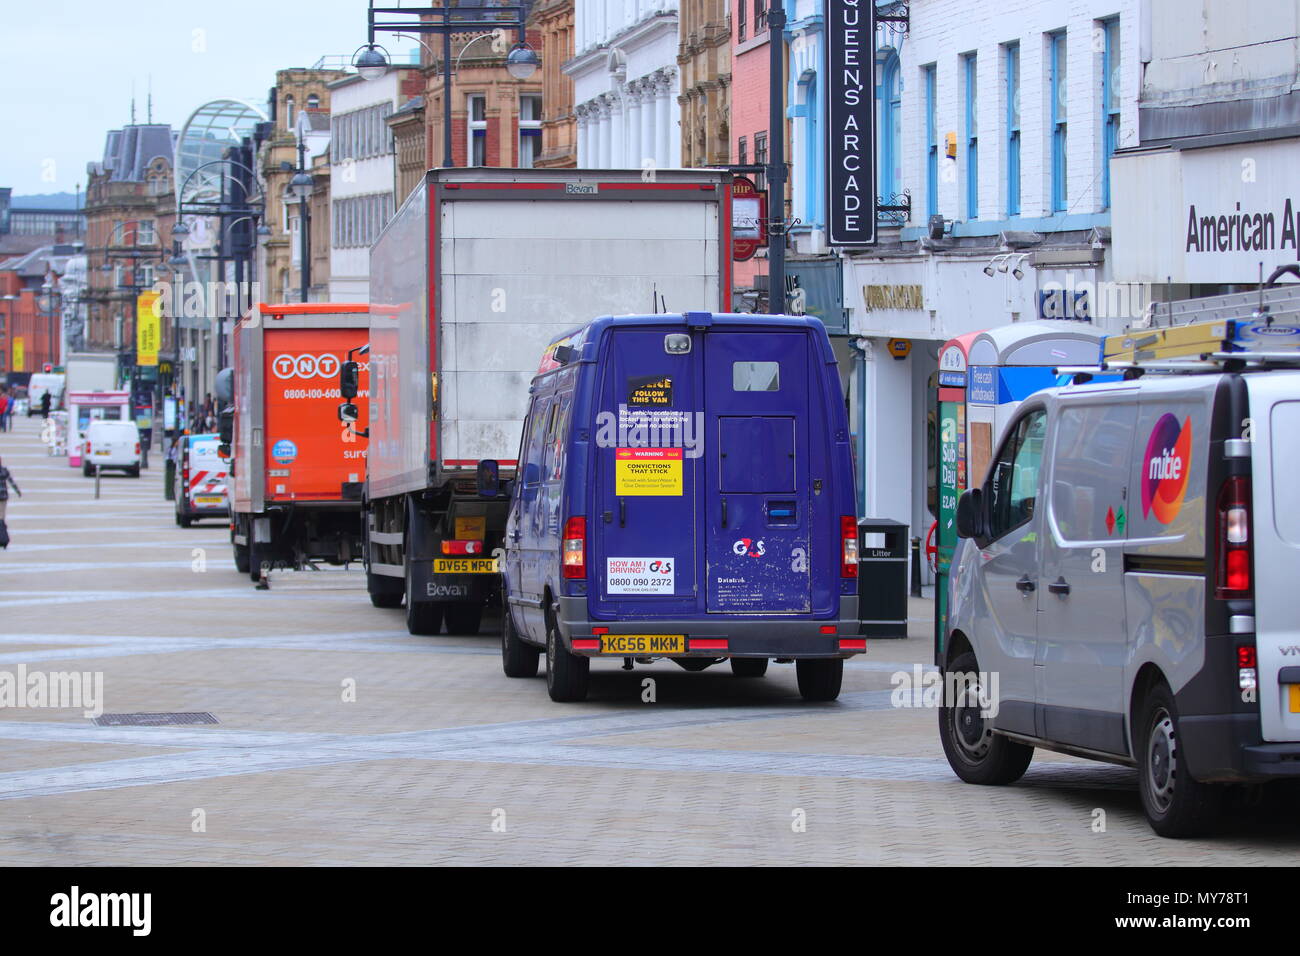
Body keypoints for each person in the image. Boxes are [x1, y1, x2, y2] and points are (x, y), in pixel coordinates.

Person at [0, 456, 20, 548]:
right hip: (3, 496)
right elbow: (11, 482)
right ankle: (3, 535)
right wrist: (17, 491)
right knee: (2, 516)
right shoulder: (4, 471)